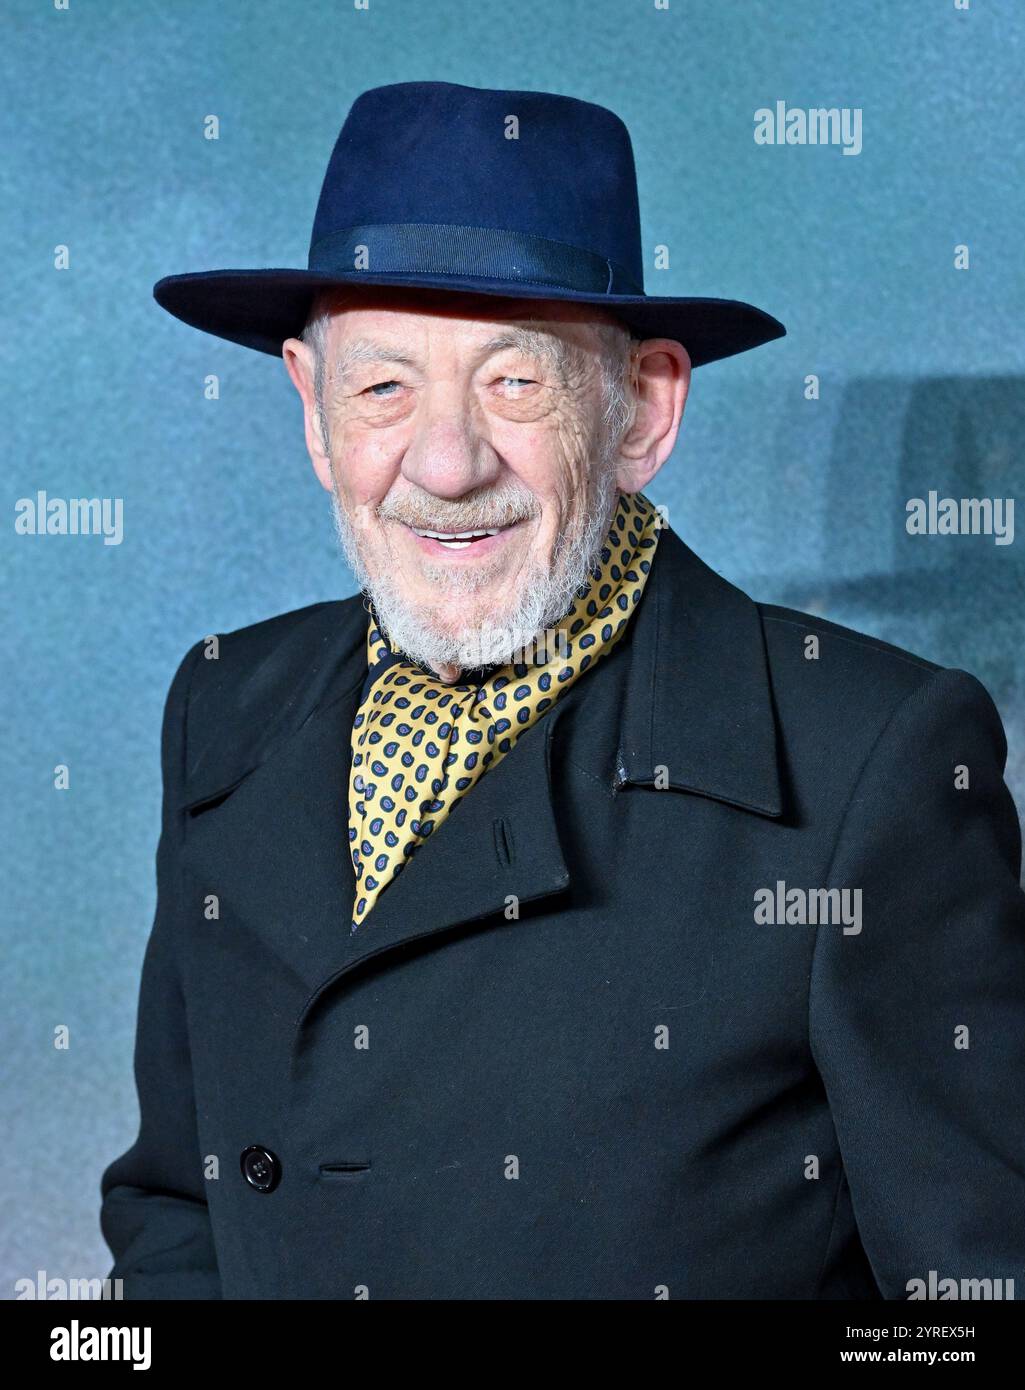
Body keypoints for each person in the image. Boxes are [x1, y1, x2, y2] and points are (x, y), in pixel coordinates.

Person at [100, 80, 1025, 1300]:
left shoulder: (870, 765)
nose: (445, 461)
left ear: (640, 408)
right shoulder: (221, 708)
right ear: (312, 413)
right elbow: (176, 1209)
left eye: (514, 382)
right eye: (382, 386)